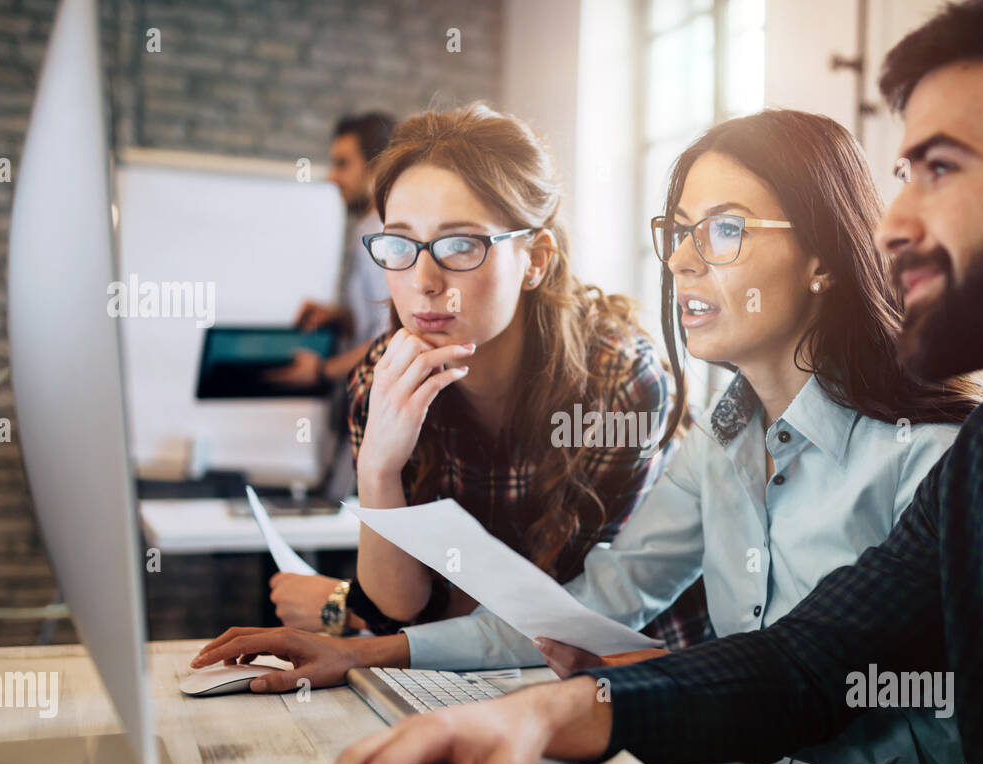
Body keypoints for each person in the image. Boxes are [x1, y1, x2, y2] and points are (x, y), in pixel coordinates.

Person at [280, 0, 983, 764]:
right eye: (902, 171)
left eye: (941, 169)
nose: (890, 221)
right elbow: (805, 662)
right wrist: (545, 711)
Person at [205, 108, 983, 764]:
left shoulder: (935, 462)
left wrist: (683, 705)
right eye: (678, 231)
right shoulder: (721, 444)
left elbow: (942, 740)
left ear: (823, 257)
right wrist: (367, 650)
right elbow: (598, 604)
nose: (682, 261)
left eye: (723, 230)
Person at [197, 103, 708, 668]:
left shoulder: (616, 381)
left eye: (461, 244)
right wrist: (377, 469)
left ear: (535, 260)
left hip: (639, 681)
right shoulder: (382, 374)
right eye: (399, 244)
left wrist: (343, 608)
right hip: (473, 673)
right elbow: (401, 604)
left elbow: (559, 616)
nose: (422, 281)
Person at [269, 112, 398, 391]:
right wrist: (340, 316)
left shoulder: (382, 236)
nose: (332, 176)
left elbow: (392, 337)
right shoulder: (366, 227)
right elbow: (378, 319)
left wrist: (322, 370)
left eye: (343, 164)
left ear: (377, 167)